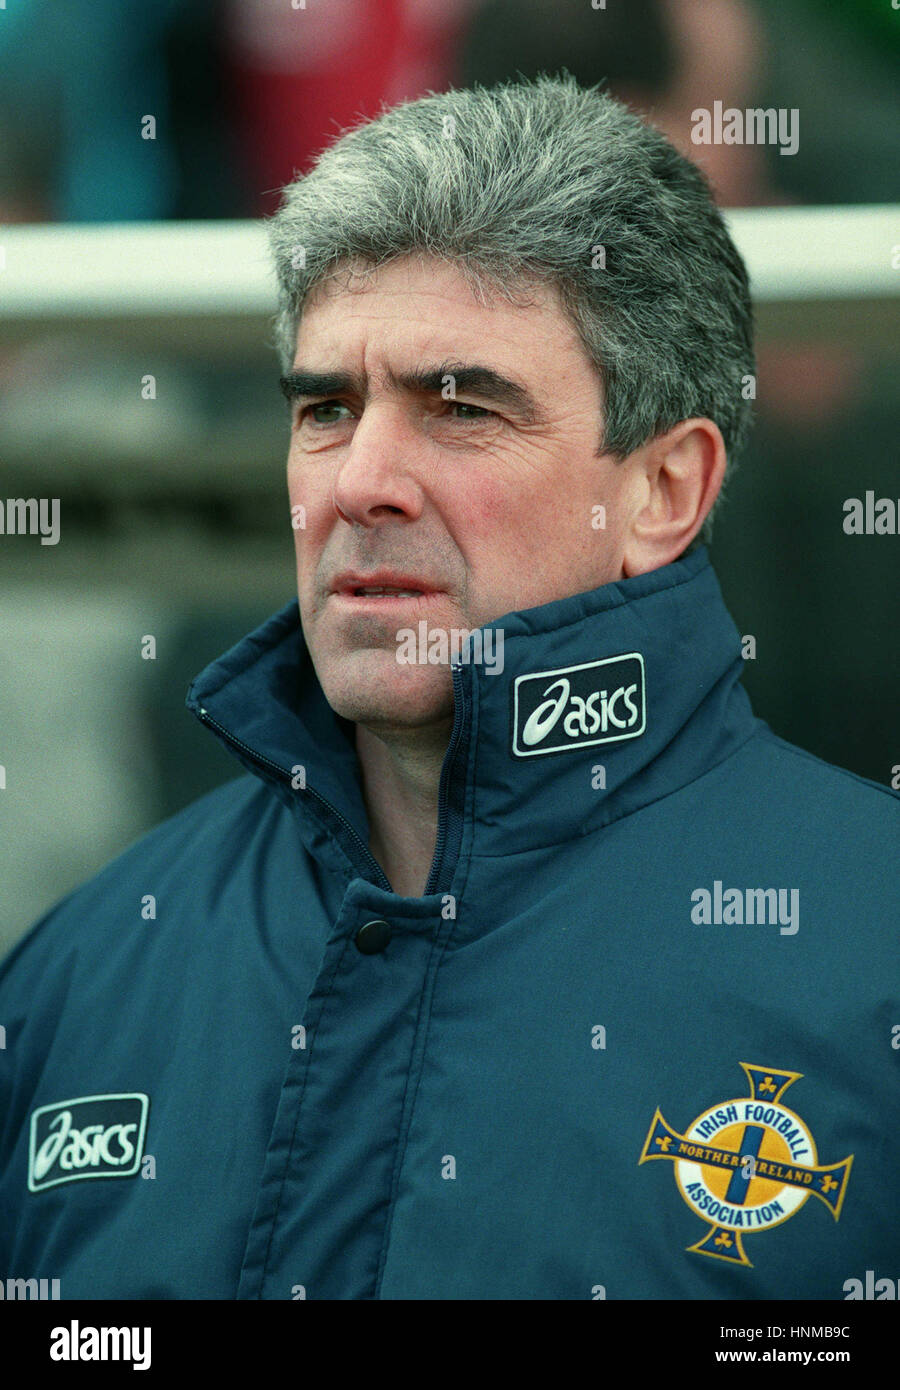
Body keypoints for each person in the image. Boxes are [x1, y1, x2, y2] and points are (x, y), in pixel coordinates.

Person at [0, 76, 896, 1300]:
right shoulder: (80, 974)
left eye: (460, 405)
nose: (361, 479)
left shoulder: (867, 953)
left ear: (666, 491)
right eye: (325, 408)